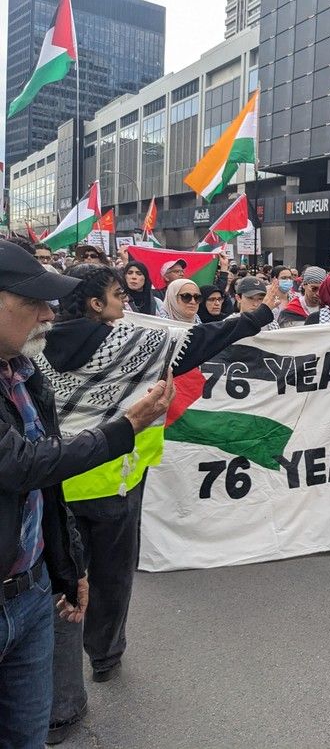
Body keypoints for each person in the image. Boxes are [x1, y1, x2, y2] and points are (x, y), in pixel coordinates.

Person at [38, 264, 280, 742]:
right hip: (112, 480)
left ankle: (62, 703)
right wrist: (259, 314)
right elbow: (200, 343)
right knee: (110, 574)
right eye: (115, 295)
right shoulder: (126, 343)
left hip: (51, 484)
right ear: (94, 303)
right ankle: (105, 656)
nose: (125, 303)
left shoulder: (33, 344)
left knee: (61, 587)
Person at [0, 242, 174, 748]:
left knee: (26, 736)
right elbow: (21, 465)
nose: (48, 314)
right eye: (33, 301)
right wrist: (126, 427)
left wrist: (66, 566)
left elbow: (44, 491)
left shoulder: (26, 378)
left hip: (31, 593)